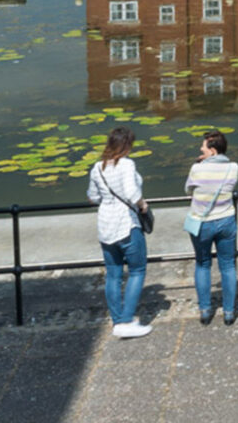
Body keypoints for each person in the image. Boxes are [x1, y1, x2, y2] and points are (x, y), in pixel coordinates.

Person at [87, 126, 150, 338]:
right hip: (126, 223)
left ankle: (116, 320)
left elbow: (92, 197)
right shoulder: (126, 164)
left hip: (105, 225)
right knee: (137, 270)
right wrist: (143, 205)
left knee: (113, 275)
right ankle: (126, 320)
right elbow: (132, 193)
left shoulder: (97, 168)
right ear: (127, 145)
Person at [185, 130, 238, 325]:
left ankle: (206, 310)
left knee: (202, 264)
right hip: (226, 220)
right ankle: (228, 312)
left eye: (204, 146)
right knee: (227, 265)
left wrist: (201, 164)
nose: (201, 148)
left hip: (203, 223)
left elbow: (188, 188)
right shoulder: (233, 167)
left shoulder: (197, 169)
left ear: (213, 151)